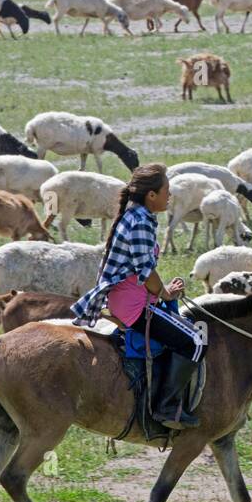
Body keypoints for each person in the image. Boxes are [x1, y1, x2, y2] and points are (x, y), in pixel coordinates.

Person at [72, 163, 205, 429]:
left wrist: (163, 291)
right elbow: (146, 270)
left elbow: (138, 270)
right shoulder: (142, 221)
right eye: (166, 191)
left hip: (131, 299)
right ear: (151, 195)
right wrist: (166, 292)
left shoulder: (133, 216)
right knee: (195, 342)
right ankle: (166, 407)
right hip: (134, 307)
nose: (170, 196)